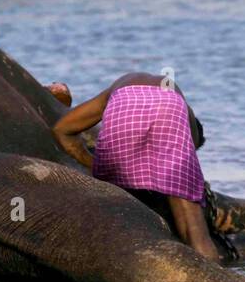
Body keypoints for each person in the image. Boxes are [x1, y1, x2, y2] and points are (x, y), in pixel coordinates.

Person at [52, 72, 219, 260]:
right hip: (168, 106)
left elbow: (62, 129)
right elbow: (183, 165)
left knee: (118, 200)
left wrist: (96, 166)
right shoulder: (187, 116)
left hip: (123, 102)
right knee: (192, 222)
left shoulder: (123, 83)